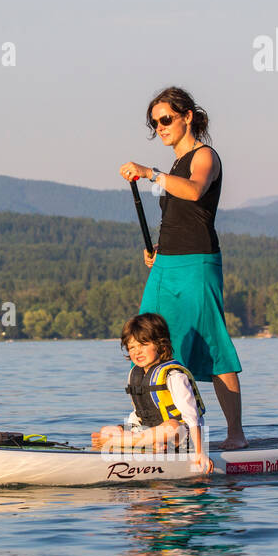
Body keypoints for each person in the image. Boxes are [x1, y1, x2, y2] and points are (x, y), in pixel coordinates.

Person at [119, 86, 247, 448]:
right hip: (166, 264)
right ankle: (156, 429)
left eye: (165, 120)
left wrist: (150, 173)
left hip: (198, 263)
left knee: (213, 344)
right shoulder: (174, 165)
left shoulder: (205, 156)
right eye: (154, 123)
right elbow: (179, 217)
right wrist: (159, 248)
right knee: (145, 340)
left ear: (187, 116)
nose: (159, 127)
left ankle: (235, 435)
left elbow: (193, 191)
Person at [92, 313, 213, 474]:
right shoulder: (135, 375)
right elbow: (138, 412)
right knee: (107, 431)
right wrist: (127, 429)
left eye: (143, 345)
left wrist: (200, 453)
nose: (137, 352)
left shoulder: (174, 376)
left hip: (183, 437)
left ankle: (127, 443)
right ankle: (139, 444)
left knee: (170, 428)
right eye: (132, 347)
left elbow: (192, 417)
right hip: (149, 432)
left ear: (161, 345)